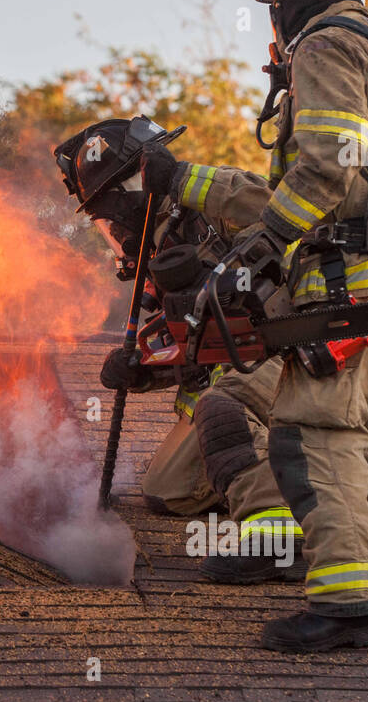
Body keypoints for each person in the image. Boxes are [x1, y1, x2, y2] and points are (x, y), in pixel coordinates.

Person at [142, 0, 368, 652]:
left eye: (275, 7)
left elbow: (322, 171)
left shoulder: (324, 47)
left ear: (288, 2)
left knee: (314, 437)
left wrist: (260, 247)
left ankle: (347, 606)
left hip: (349, 289)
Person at [56, 119, 302, 585]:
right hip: (227, 394)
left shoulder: (210, 207)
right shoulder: (160, 246)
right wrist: (143, 369)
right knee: (167, 491)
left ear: (132, 189)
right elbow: (192, 340)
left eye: (108, 211)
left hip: (288, 360)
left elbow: (279, 209)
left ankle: (278, 534)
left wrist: (184, 178)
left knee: (225, 403)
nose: (111, 228)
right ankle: (303, 480)